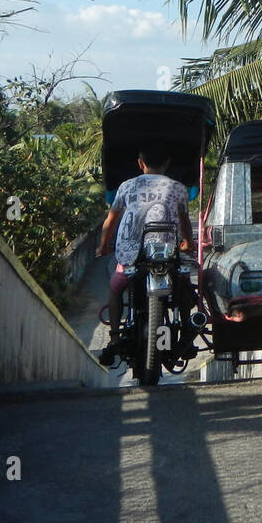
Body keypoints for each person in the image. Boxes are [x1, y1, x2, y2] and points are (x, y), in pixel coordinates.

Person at [95, 146, 193, 365]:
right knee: (183, 284)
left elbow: (110, 222)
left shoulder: (127, 186)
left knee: (115, 287)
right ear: (167, 163)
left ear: (140, 164)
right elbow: (184, 221)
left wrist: (103, 247)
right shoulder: (178, 188)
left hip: (131, 253)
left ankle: (114, 337)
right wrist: (189, 243)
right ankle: (186, 329)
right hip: (166, 252)